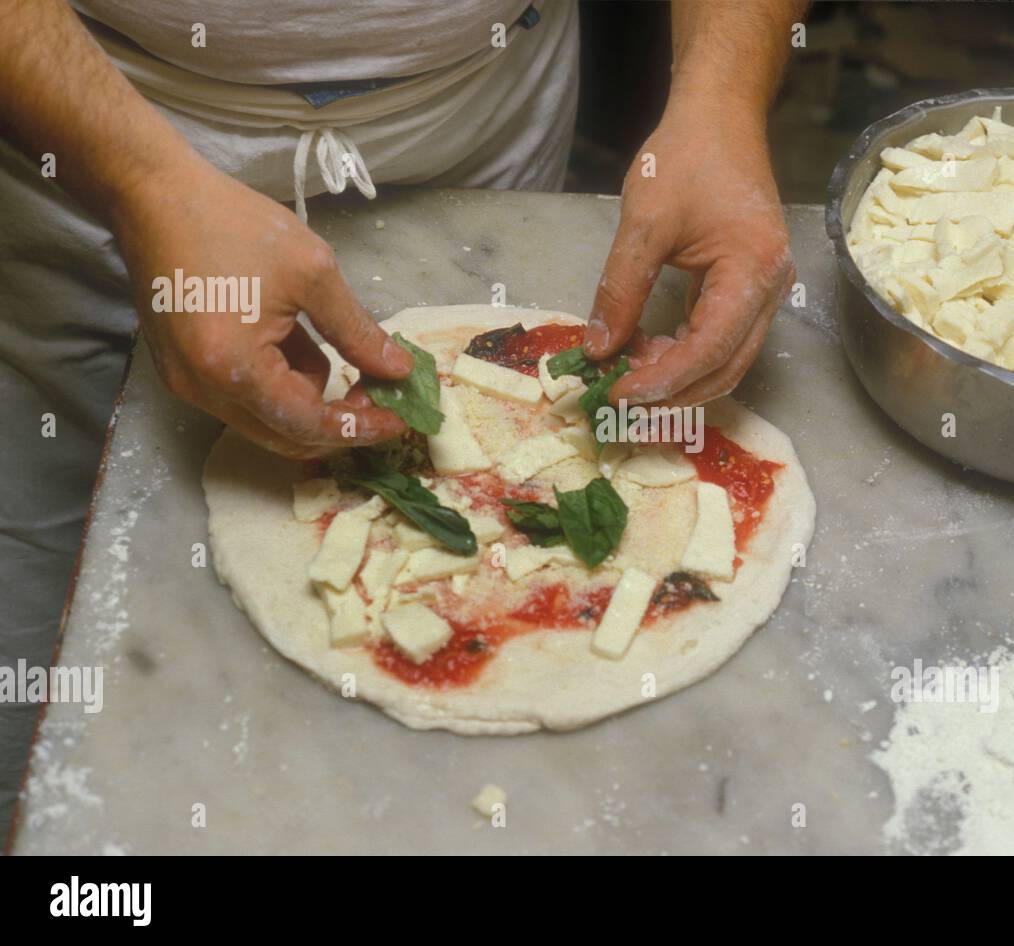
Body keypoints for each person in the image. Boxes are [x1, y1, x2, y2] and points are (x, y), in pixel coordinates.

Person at [0, 0, 802, 831]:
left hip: (478, 123)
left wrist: (721, 95)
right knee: (46, 672)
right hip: (86, 137)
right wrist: (139, 181)